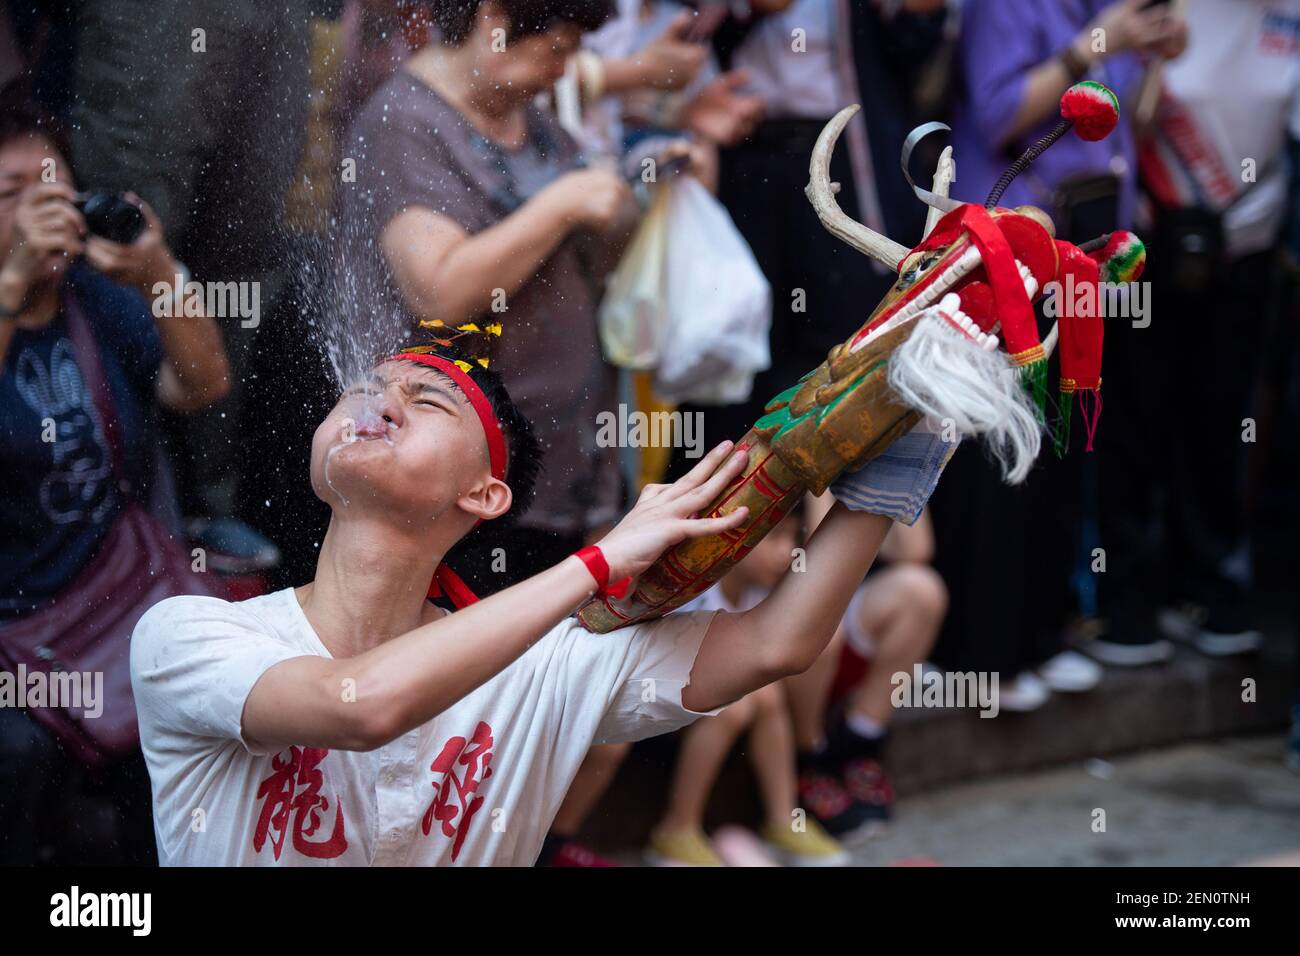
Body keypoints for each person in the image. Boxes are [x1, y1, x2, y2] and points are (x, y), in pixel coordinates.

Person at [129, 338, 954, 866]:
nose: (380, 400)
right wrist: (593, 565)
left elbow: (776, 644)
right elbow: (359, 703)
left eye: (429, 400)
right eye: (368, 387)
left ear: (484, 496)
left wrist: (889, 466)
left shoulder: (540, 661)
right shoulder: (186, 633)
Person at [932, 0, 1186, 701]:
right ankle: (983, 656)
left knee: (1062, 434)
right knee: (998, 445)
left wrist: (1154, 54)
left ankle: (1042, 637)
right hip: (1010, 248)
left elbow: (1120, 127)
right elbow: (997, 114)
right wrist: (1099, 45)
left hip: (1086, 250)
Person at [0, 98, 230, 863]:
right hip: (14, 630)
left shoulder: (92, 300)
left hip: (116, 599)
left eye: (52, 186)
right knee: (22, 758)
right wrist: (9, 284)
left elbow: (200, 385)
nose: (40, 211)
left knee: (199, 719)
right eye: (10, 195)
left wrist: (160, 272)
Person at [646, 506, 849, 866]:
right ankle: (675, 829)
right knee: (740, 704)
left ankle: (783, 821)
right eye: (773, 538)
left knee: (764, 698)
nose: (787, 552)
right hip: (658, 713)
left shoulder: (764, 593)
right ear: (730, 539)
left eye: (792, 537)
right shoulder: (696, 595)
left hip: (719, 708)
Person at [783, 499, 945, 837]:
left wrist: (898, 454)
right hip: (771, 624)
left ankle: (858, 743)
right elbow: (820, 563)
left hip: (837, 619)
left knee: (922, 590)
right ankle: (811, 760)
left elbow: (915, 550)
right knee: (820, 624)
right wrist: (822, 467)